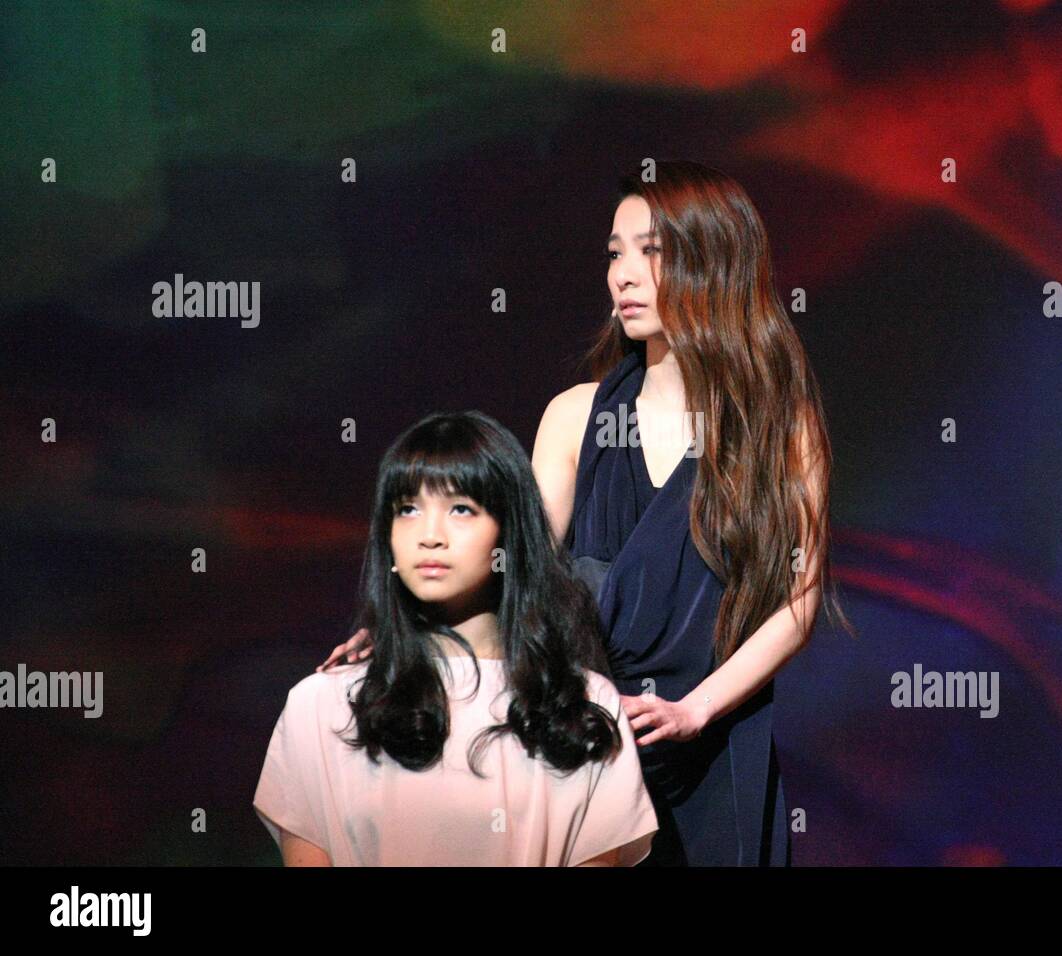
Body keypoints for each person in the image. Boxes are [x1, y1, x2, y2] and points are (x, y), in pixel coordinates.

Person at [321, 160, 847, 865]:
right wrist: (401, 631)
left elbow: (798, 600)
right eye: (614, 253)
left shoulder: (781, 426)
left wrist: (697, 709)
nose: (622, 275)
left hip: (720, 752)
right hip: (587, 749)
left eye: (650, 252)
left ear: (716, 262)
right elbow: (511, 572)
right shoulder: (576, 417)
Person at [254, 411, 657, 866]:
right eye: (407, 509)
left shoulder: (581, 705)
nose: (429, 536)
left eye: (461, 509)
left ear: (510, 532)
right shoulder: (322, 706)